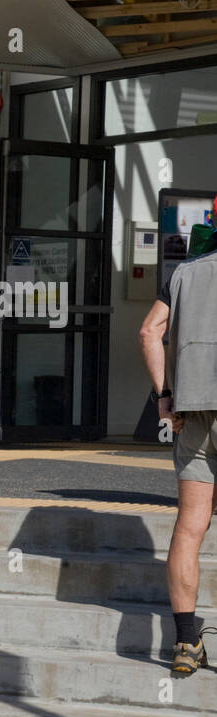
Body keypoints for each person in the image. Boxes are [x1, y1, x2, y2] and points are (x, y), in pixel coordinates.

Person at [138, 242, 217, 675]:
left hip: (193, 410)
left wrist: (164, 395)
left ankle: (186, 642)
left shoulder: (184, 274)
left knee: (190, 526)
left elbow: (149, 331)